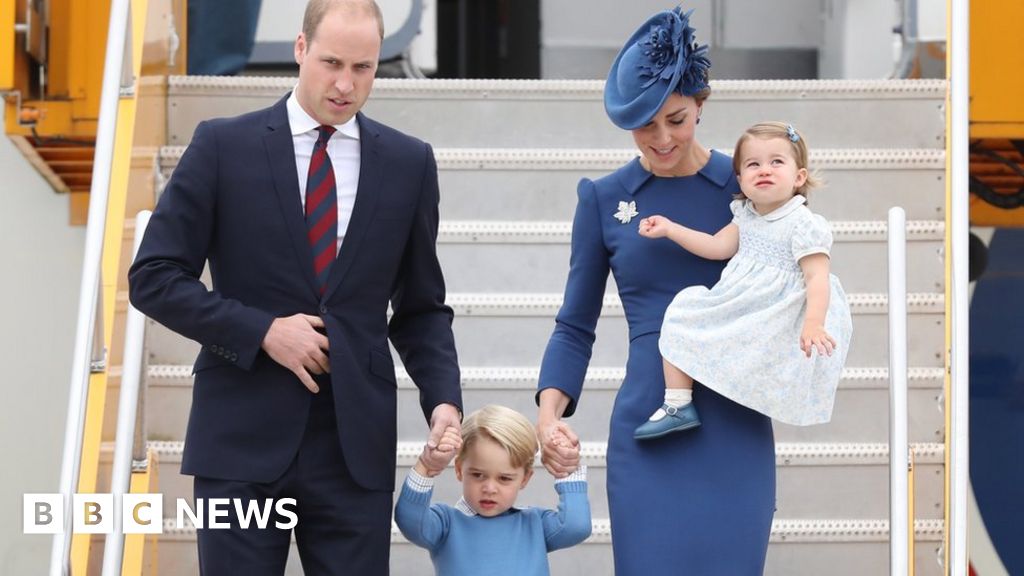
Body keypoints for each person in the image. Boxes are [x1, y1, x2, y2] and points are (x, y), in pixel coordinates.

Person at [128, 1, 462, 574]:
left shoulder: (410, 164)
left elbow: (421, 309)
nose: (345, 84)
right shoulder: (220, 147)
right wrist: (261, 331)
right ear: (300, 49)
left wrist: (444, 402)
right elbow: (152, 277)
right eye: (332, 62)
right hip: (240, 440)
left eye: (364, 68)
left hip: (353, 449)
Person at [535, 6, 777, 574]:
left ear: (701, 104)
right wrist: (549, 417)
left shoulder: (750, 191)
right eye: (646, 125)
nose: (662, 139)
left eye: (677, 119)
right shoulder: (603, 198)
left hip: (737, 425)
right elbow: (575, 323)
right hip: (648, 428)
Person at [633, 121, 853, 440]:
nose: (764, 170)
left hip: (781, 312)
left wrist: (814, 323)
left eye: (777, 162)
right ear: (740, 179)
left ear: (799, 177)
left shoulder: (803, 224)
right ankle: (678, 404)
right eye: (753, 164)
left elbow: (817, 276)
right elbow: (716, 246)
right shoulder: (746, 215)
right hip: (744, 302)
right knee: (683, 312)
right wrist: (671, 229)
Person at [395, 405, 591, 576]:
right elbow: (410, 521)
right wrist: (426, 467)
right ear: (459, 470)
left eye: (504, 478)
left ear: (524, 479)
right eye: (478, 475)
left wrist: (567, 469)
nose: (489, 488)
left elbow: (576, 526)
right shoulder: (445, 524)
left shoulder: (535, 524)